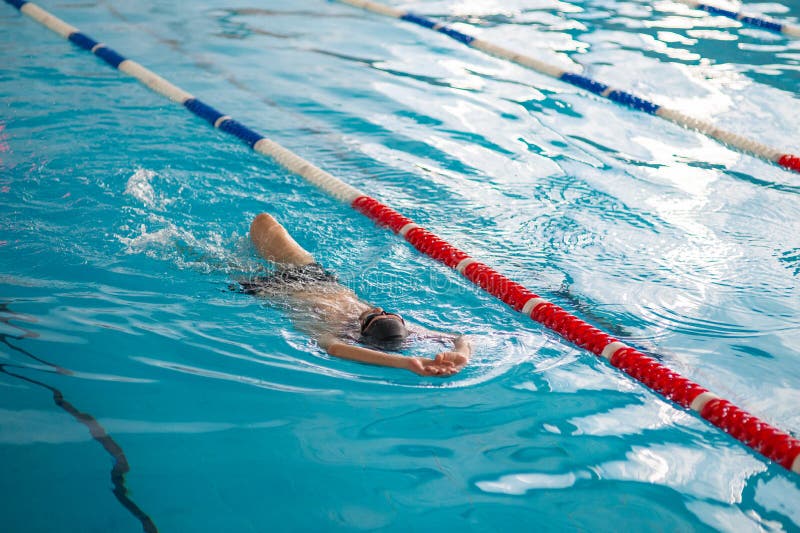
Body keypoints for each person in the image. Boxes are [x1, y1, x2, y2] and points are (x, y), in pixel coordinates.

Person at [241, 213, 471, 377]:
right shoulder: (410, 332)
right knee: (264, 221)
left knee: (215, 263)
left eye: (372, 317)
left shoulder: (335, 333)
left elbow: (335, 349)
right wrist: (462, 355)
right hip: (318, 278)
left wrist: (407, 363)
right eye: (388, 313)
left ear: (361, 331)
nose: (379, 310)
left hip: (274, 288)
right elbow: (461, 337)